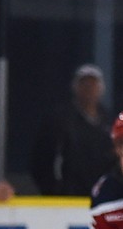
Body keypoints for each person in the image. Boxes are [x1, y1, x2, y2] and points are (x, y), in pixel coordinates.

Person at [30, 63, 114, 196]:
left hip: (100, 198)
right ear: (75, 88)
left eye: (93, 84)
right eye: (84, 84)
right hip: (67, 199)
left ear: (100, 88)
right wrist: (53, 192)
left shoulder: (110, 122)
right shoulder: (59, 120)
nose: (89, 89)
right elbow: (41, 160)